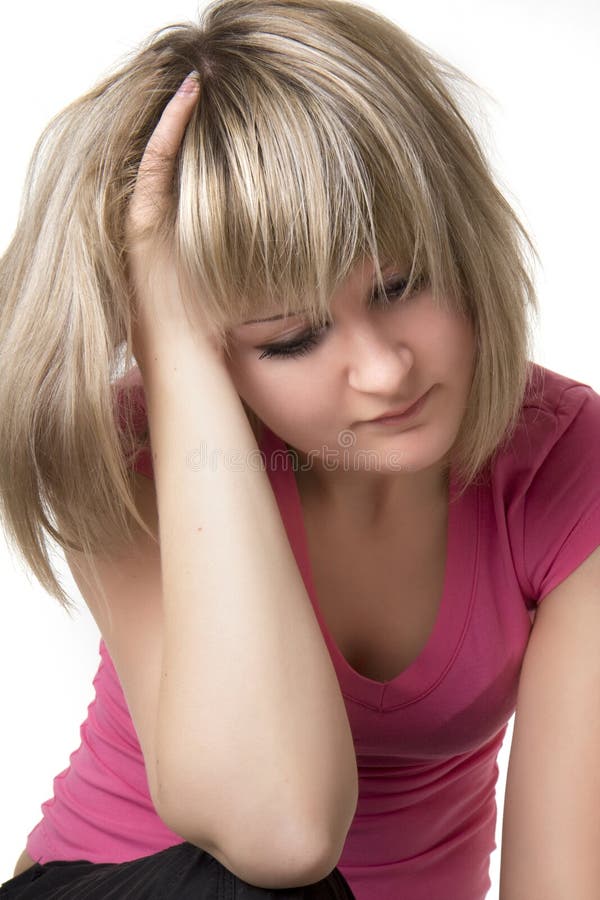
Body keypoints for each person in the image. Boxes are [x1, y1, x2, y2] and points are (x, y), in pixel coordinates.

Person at [1, 0, 600, 898]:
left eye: (405, 283)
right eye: (290, 338)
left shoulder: (568, 464)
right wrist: (171, 336)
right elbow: (278, 831)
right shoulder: (125, 449)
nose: (383, 369)